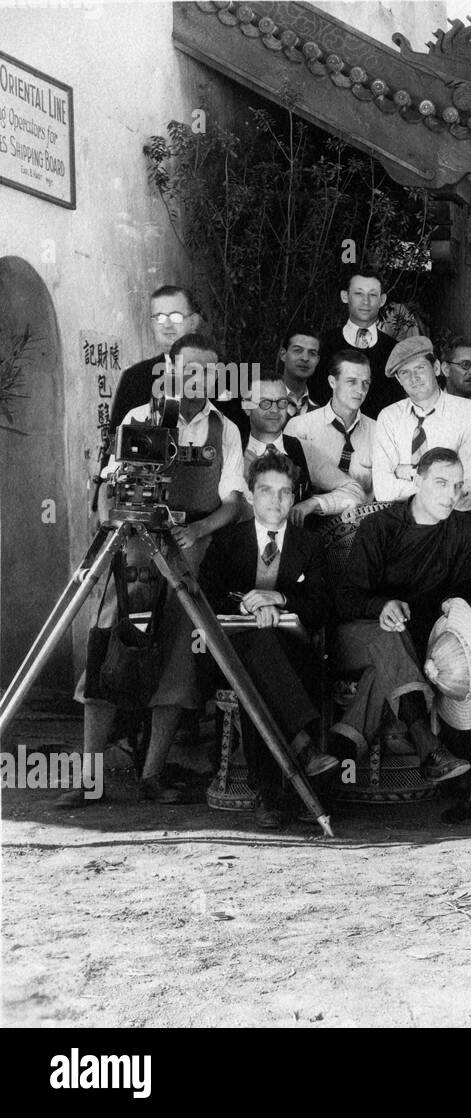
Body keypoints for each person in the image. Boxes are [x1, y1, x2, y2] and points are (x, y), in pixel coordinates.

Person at [60, 334, 249, 808]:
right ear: (170, 367)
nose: (196, 379)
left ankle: (152, 775)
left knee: (177, 668)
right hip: (133, 557)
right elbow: (108, 481)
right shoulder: (139, 418)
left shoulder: (225, 429)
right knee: (106, 656)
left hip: (189, 557)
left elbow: (234, 502)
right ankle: (89, 780)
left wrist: (200, 528)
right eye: (188, 369)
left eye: (208, 371)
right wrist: (110, 522)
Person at [198, 451, 340, 828]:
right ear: (251, 495)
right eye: (266, 491)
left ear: (293, 497)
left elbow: (323, 604)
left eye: (284, 493)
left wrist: (280, 599)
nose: (275, 501)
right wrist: (248, 604)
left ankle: (269, 795)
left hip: (294, 653)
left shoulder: (310, 545)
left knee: (263, 662)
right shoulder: (228, 541)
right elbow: (207, 597)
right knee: (256, 654)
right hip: (232, 653)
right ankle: (302, 750)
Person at [331, 448, 471, 781]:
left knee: (387, 661)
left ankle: (339, 751)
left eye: (458, 486)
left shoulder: (464, 531)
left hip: (420, 642)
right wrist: (381, 606)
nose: (451, 495)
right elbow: (346, 598)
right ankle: (426, 743)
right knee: (389, 636)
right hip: (356, 636)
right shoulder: (380, 526)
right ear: (417, 479)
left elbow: (461, 604)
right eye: (441, 483)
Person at [372, 335, 471, 513]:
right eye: (404, 373)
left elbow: (466, 484)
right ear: (399, 380)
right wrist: (442, 485)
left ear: (437, 368)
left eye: (420, 368)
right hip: (401, 518)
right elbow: (383, 491)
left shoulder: (468, 412)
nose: (413, 378)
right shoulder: (389, 417)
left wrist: (405, 472)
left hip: (450, 519)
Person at [284, 349, 374, 518]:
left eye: (365, 383)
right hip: (307, 527)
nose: (360, 390)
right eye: (351, 381)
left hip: (360, 530)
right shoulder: (300, 427)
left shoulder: (378, 432)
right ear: (332, 382)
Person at [105, 285, 203, 433]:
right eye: (159, 318)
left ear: (193, 322)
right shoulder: (135, 377)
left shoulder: (225, 374)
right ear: (152, 325)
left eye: (176, 316)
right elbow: (115, 442)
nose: (167, 325)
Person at [314, 270, 401, 417]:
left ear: (382, 300)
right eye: (358, 293)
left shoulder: (395, 350)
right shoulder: (323, 344)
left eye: (372, 294)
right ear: (345, 296)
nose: (366, 301)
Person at [241, 372, 314, 508]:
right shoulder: (232, 450)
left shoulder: (298, 447)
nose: (275, 410)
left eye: (282, 402)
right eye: (265, 403)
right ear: (247, 406)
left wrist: (312, 504)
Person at [277, 328, 324, 417]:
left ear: (317, 361)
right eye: (297, 350)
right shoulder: (258, 399)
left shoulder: (319, 415)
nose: (305, 358)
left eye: (312, 353)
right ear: (283, 355)